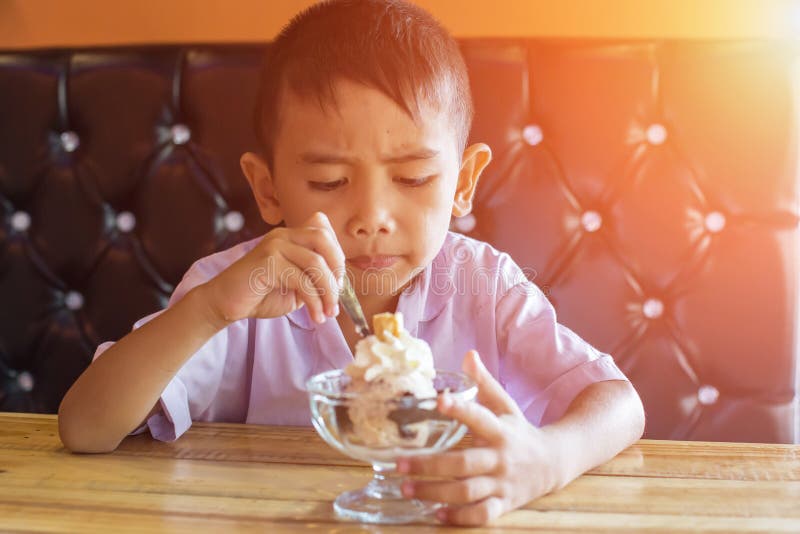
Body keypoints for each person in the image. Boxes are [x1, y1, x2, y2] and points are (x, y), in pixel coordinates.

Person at [58, 0, 645, 525]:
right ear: (268, 190)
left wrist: (548, 460)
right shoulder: (232, 293)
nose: (372, 216)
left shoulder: (484, 286)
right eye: (329, 181)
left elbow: (619, 403)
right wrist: (208, 311)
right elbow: (84, 428)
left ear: (463, 182)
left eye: (413, 178)